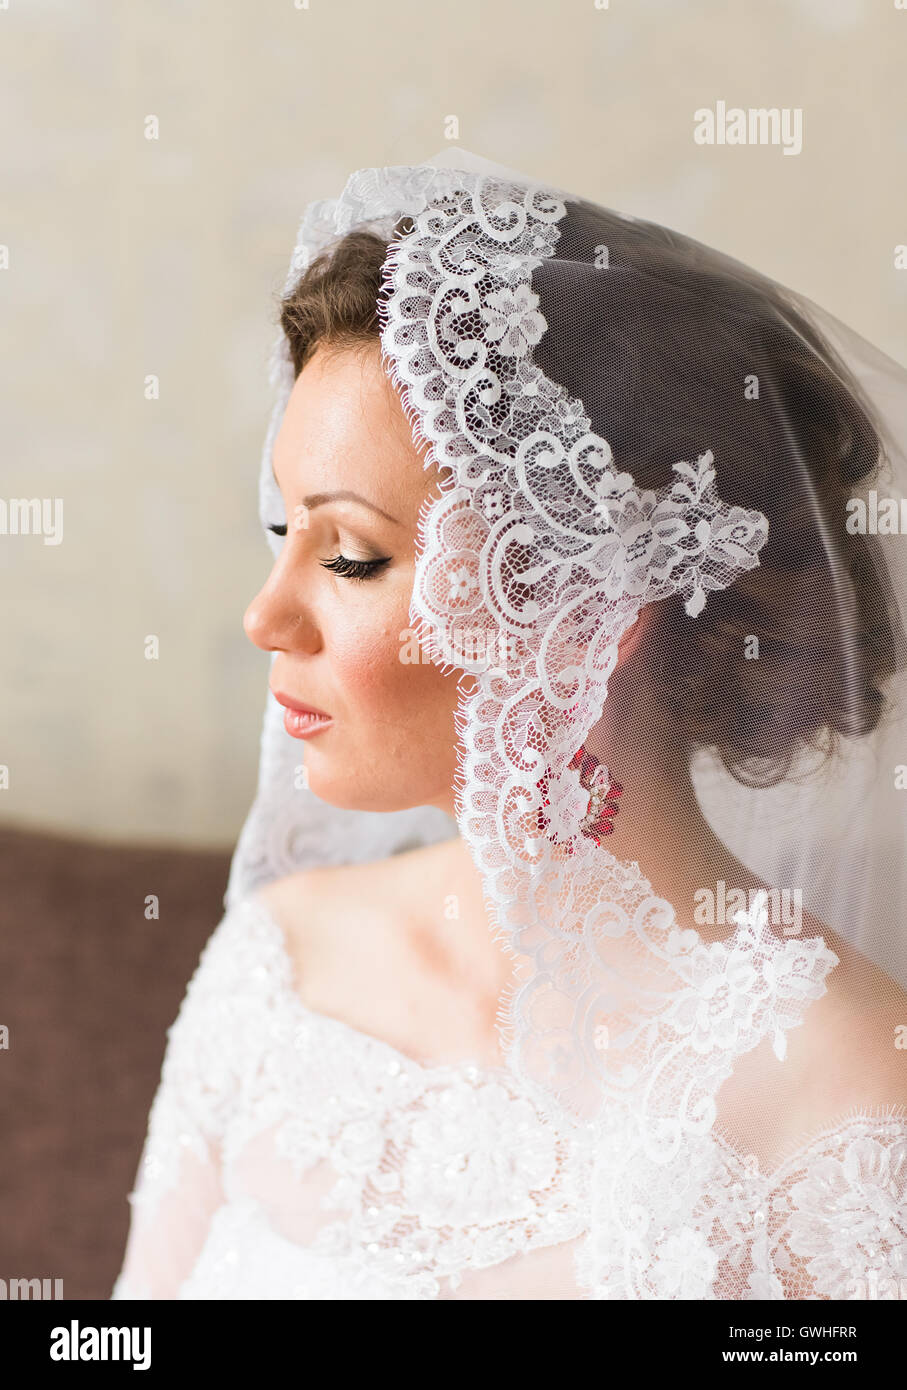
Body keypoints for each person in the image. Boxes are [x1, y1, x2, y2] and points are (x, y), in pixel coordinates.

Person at [111, 148, 907, 1300]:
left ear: (582, 606)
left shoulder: (850, 1103)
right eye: (277, 533)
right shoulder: (278, 964)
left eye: (349, 555)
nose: (265, 614)